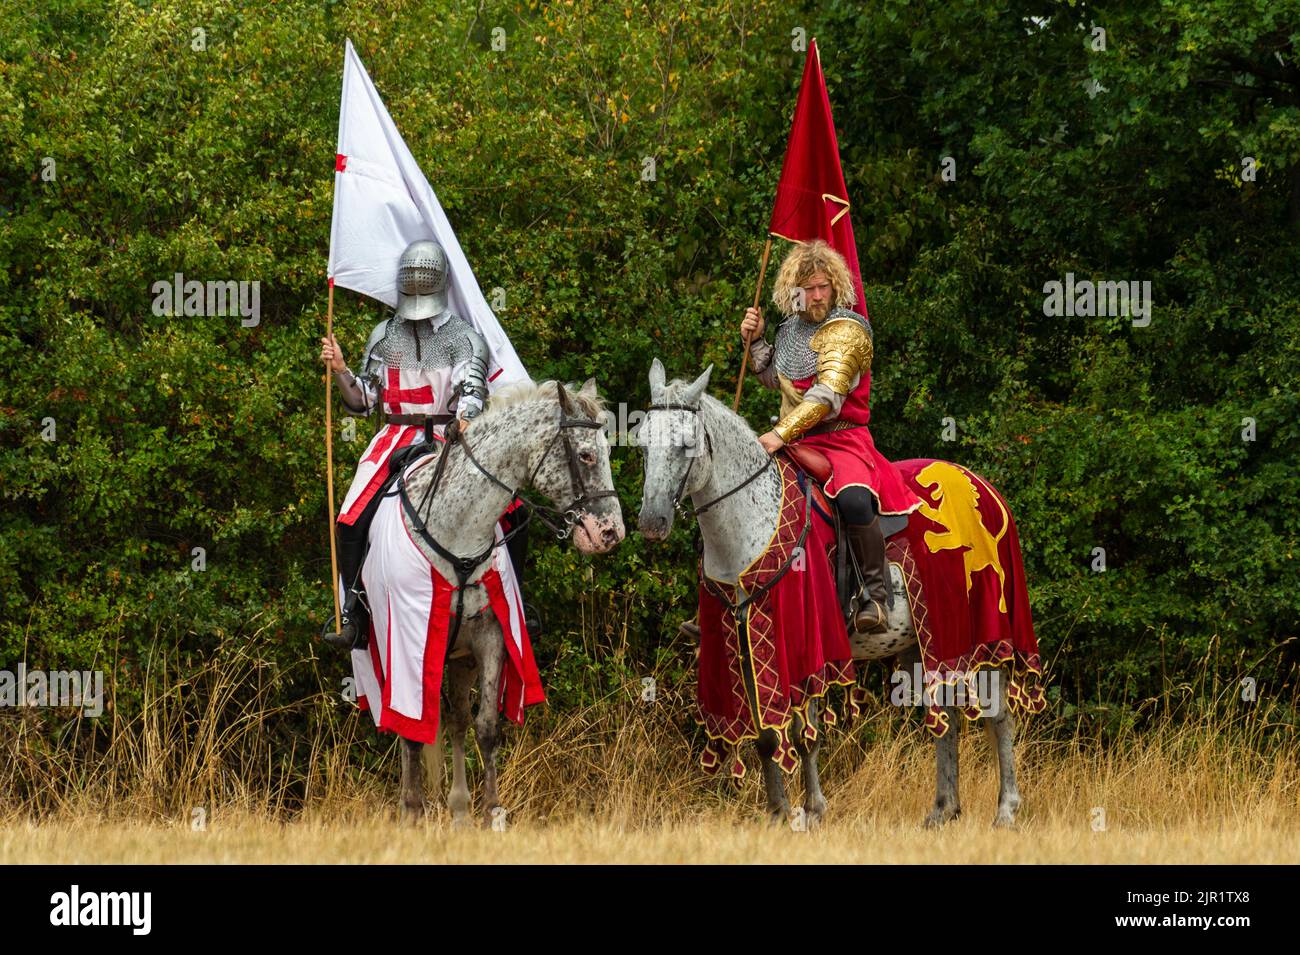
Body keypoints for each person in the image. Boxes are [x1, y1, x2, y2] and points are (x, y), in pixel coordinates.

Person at [740, 239, 923, 632]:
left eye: (823, 286)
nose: (817, 295)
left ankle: (876, 596)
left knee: (855, 499)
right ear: (794, 291)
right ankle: (733, 596)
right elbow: (776, 380)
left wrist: (777, 434)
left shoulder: (847, 331)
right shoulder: (790, 329)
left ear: (835, 285)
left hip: (841, 441)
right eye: (808, 288)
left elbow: (825, 399)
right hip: (794, 441)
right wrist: (755, 342)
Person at [319, 238, 491, 650]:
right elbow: (363, 402)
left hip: (449, 437)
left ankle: (515, 605)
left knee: (511, 509)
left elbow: (472, 389)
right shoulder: (384, 336)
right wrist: (341, 371)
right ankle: (355, 610)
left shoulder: (466, 338)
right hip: (394, 438)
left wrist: (466, 417)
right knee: (349, 516)